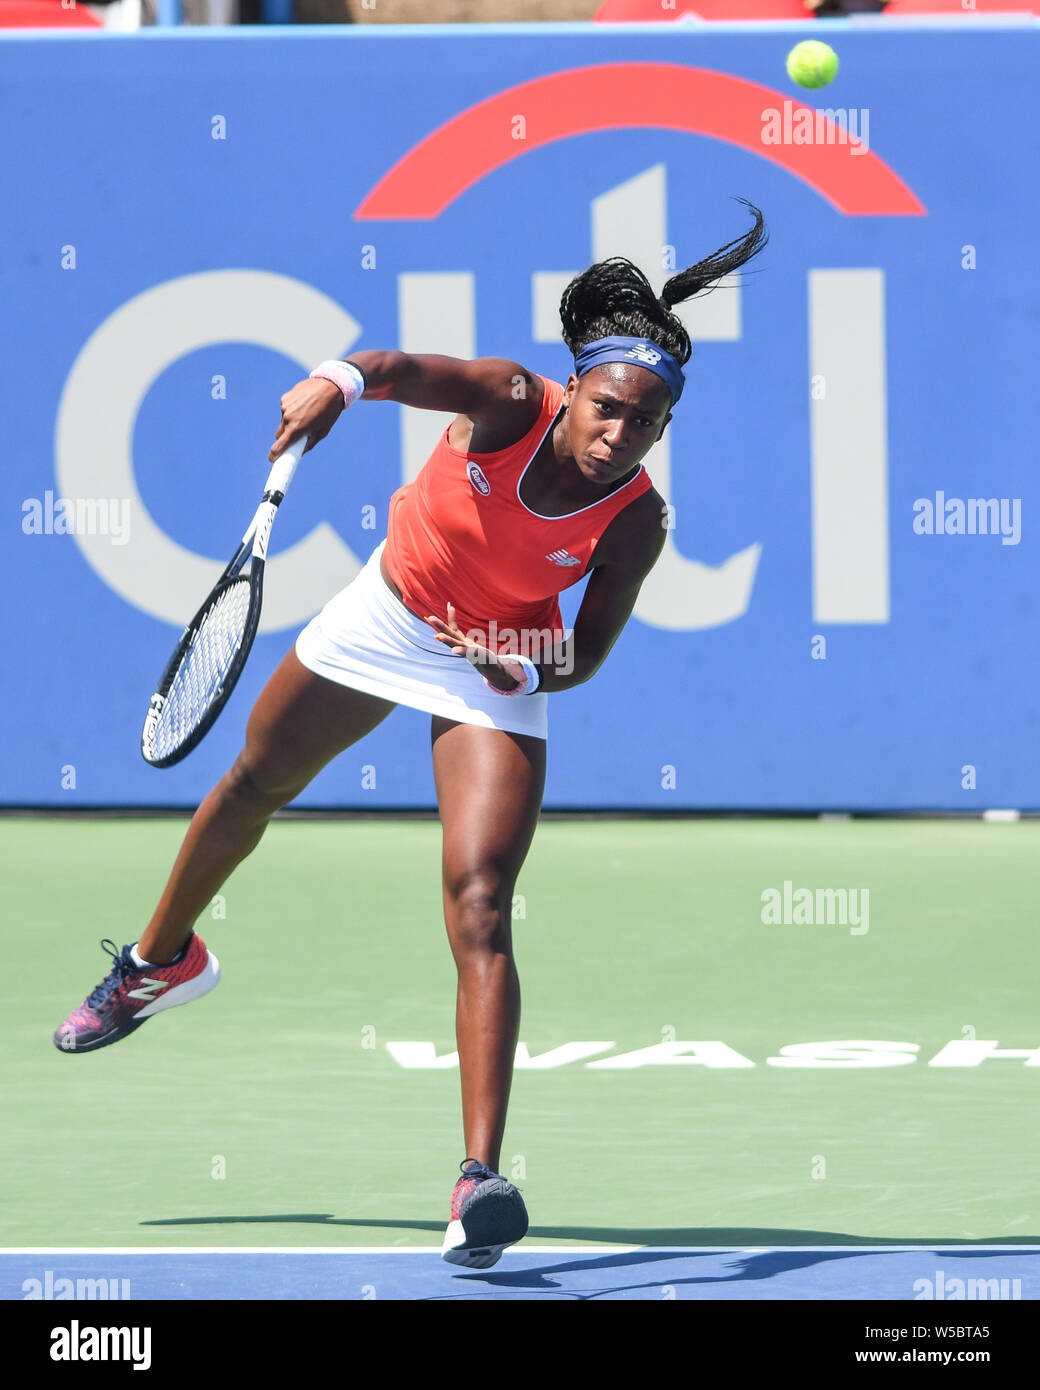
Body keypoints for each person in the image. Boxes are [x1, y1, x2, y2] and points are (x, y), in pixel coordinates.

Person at [54, 202, 767, 1267]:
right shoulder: (510, 399)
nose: (622, 436)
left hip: (498, 665)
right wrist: (335, 384)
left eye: (647, 425)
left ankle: (477, 1176)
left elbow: (589, 653)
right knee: (252, 782)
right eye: (612, 408)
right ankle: (161, 960)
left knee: (481, 903)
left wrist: (518, 663)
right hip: (388, 614)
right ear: (574, 388)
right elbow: (391, 366)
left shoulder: (636, 520)